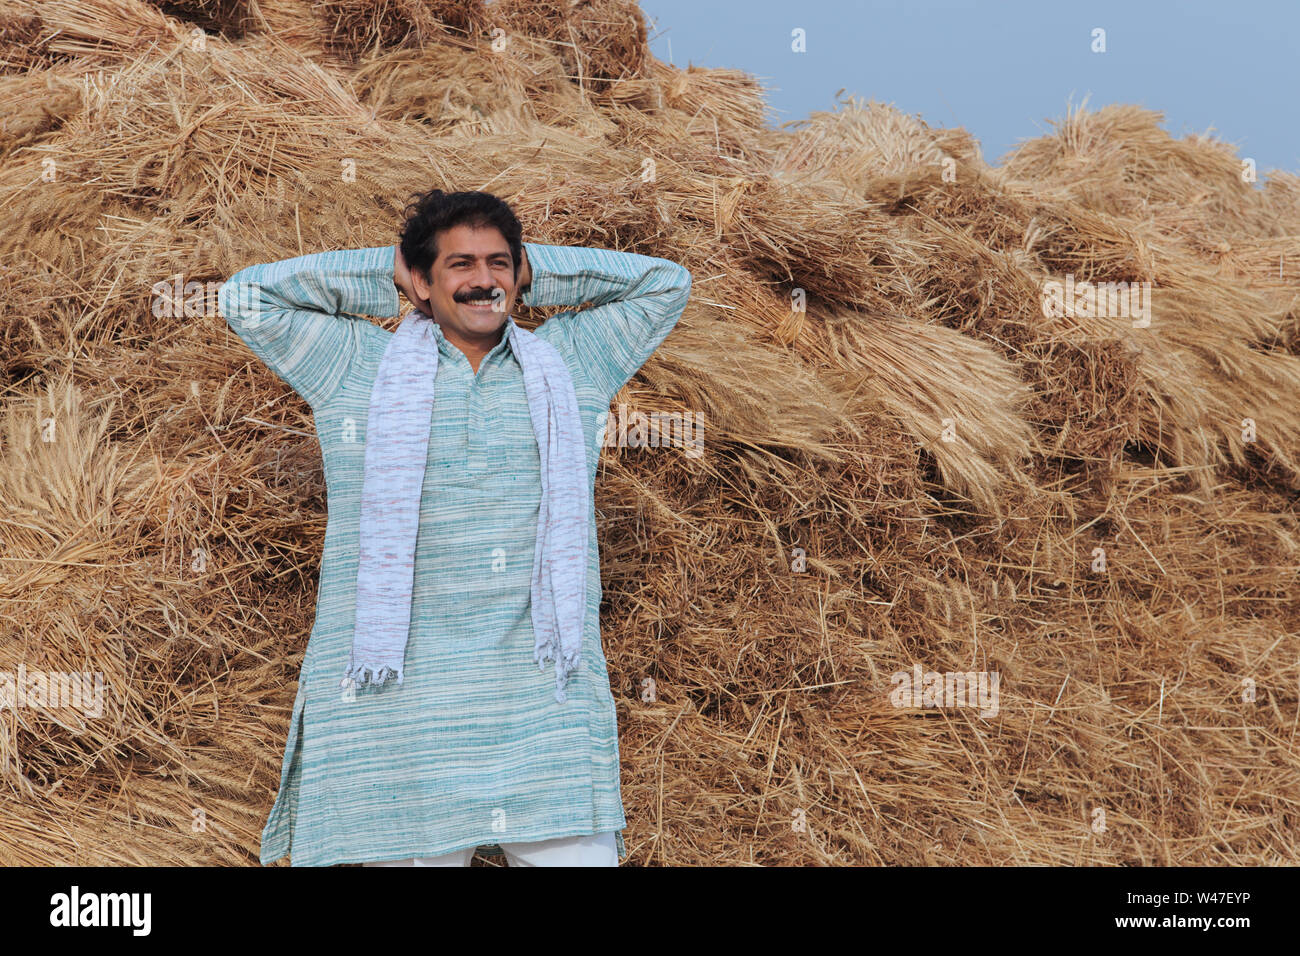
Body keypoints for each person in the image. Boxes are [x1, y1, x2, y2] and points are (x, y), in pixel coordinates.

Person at [218, 189, 691, 867]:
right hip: (403, 702)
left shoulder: (572, 360)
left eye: (499, 263)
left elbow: (665, 283)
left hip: (539, 693)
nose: (483, 280)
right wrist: (396, 272)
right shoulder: (356, 366)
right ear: (421, 280)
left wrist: (531, 268)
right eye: (460, 264)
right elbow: (246, 297)